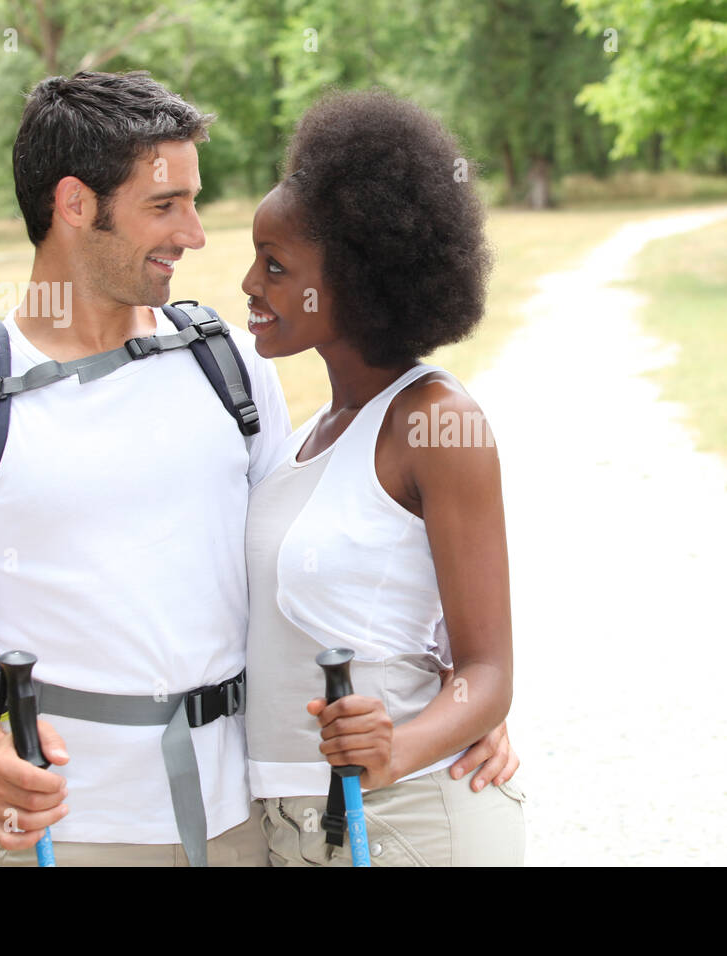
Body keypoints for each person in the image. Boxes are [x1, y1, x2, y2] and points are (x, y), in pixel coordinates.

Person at [0, 71, 515, 867]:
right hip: (76, 828)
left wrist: (460, 697)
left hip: (249, 818)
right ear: (75, 204)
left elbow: (313, 557)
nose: (196, 234)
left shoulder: (229, 365)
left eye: (195, 200)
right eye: (165, 204)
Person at [240, 88, 525, 866]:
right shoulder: (307, 438)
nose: (248, 285)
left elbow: (488, 673)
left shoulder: (439, 420)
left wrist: (400, 745)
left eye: (274, 265)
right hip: (294, 826)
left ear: (358, 278)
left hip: (409, 821)